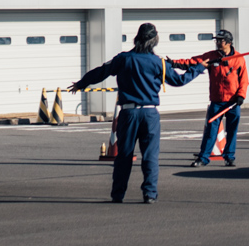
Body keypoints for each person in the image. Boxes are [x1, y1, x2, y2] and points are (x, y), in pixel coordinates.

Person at [70, 23, 205, 202]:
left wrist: (82, 83)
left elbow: (102, 71)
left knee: (124, 155)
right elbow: (179, 80)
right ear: (154, 40)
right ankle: (149, 194)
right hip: (150, 114)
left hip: (128, 114)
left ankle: (118, 194)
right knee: (150, 155)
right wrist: (198, 68)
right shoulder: (159, 63)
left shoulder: (123, 59)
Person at [190, 29, 249, 167]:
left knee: (232, 131)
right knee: (210, 131)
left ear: (229, 42)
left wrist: (241, 95)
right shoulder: (211, 56)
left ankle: (229, 157)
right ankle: (203, 158)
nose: (217, 42)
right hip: (216, 102)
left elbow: (244, 80)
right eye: (216, 40)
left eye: (220, 40)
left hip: (233, 103)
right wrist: (174, 64)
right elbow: (193, 61)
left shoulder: (239, 58)